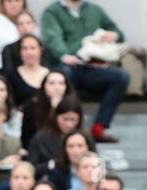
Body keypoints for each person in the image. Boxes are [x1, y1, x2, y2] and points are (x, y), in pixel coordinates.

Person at [41, 0, 128, 143]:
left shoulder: (95, 10)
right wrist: (65, 55)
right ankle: (70, 125)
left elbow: (118, 33)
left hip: (92, 68)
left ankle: (100, 127)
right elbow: (53, 38)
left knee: (121, 76)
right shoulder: (52, 11)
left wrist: (113, 35)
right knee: (63, 75)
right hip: (68, 66)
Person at [2, 32, 50, 106]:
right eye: (24, 48)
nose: (29, 52)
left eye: (33, 48)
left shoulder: (51, 75)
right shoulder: (11, 76)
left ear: (41, 50)